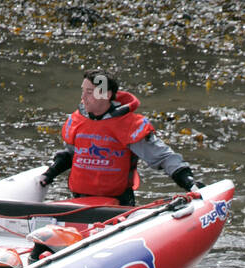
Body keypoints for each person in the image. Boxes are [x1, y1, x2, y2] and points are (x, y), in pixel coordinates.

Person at [41, 71, 204, 206]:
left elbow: (163, 157)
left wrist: (189, 183)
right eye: (83, 91)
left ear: (106, 95)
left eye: (89, 92)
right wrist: (50, 174)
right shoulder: (78, 121)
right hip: (79, 202)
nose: (83, 97)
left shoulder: (129, 125)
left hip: (118, 206)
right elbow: (70, 154)